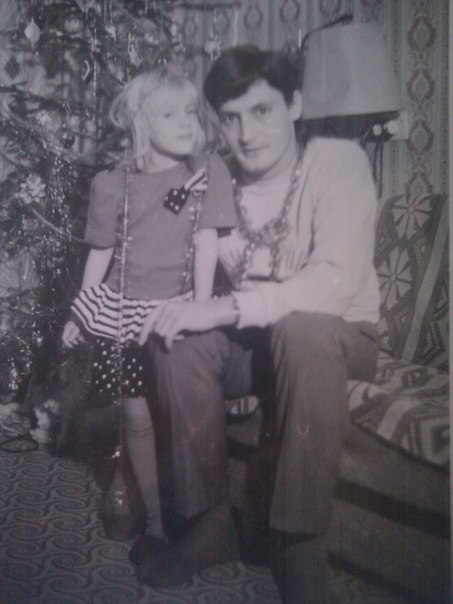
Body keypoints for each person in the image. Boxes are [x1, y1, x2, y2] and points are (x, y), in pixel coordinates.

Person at [137, 38, 396, 602]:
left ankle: (299, 541)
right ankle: (210, 524)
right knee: (176, 341)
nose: (247, 134)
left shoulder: (338, 162)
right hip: (257, 341)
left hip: (337, 335)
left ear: (294, 105)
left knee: (301, 329)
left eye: (261, 111)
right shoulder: (217, 179)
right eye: (230, 119)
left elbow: (334, 282)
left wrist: (226, 307)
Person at [61, 62, 236, 565]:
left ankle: (192, 519)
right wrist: (81, 312)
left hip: (176, 309)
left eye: (191, 112)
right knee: (136, 415)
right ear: (140, 121)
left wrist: (199, 307)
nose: (186, 123)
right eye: (169, 114)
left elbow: (207, 244)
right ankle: (155, 521)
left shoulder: (207, 171)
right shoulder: (113, 183)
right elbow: (100, 253)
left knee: (176, 413)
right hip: (123, 310)